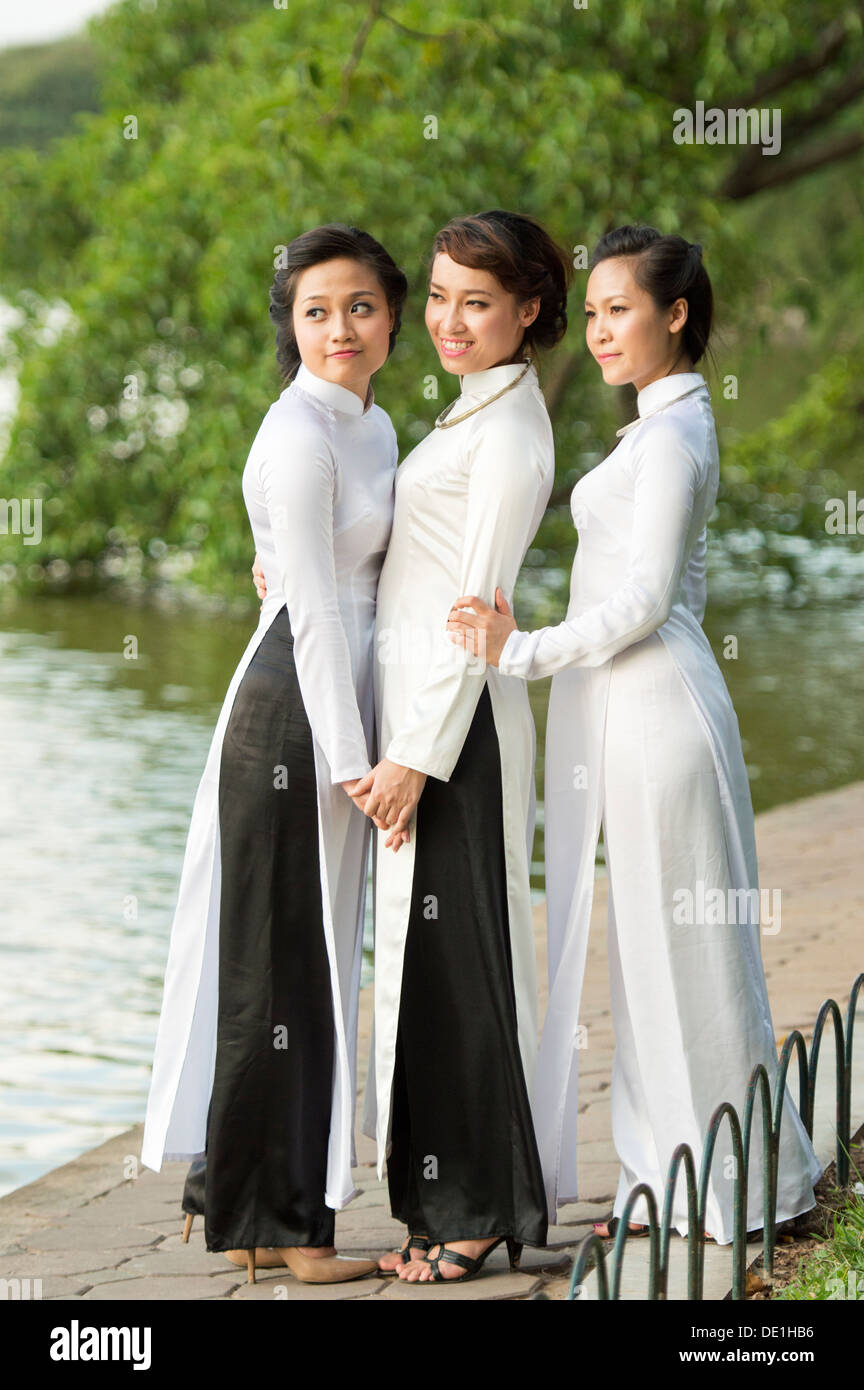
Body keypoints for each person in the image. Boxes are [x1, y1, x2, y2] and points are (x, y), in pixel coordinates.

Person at [446, 224, 822, 1244]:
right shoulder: (658, 426)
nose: (602, 330)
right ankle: (676, 1169)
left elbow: (645, 600)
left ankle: (739, 1181)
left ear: (677, 314)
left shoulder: (674, 435)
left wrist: (518, 649)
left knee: (686, 951)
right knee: (652, 951)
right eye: (597, 311)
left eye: (622, 310)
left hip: (660, 713)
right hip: (633, 713)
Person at [140, 224, 407, 1284]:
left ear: (392, 315)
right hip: (297, 709)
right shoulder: (300, 433)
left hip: (334, 699)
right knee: (277, 966)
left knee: (300, 961)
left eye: (359, 306)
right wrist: (354, 762)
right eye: (314, 311)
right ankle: (289, 1231)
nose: (338, 328)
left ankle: (253, 1217)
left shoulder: (372, 428)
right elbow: (311, 611)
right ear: (289, 328)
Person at [351, 210, 572, 1284]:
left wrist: (415, 758)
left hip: (460, 729)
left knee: (465, 965)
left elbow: (475, 619)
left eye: (475, 301)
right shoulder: (465, 416)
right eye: (436, 296)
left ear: (528, 310)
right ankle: (442, 1197)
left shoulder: (511, 434)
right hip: (425, 721)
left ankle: (479, 1211)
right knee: (428, 971)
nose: (446, 319)